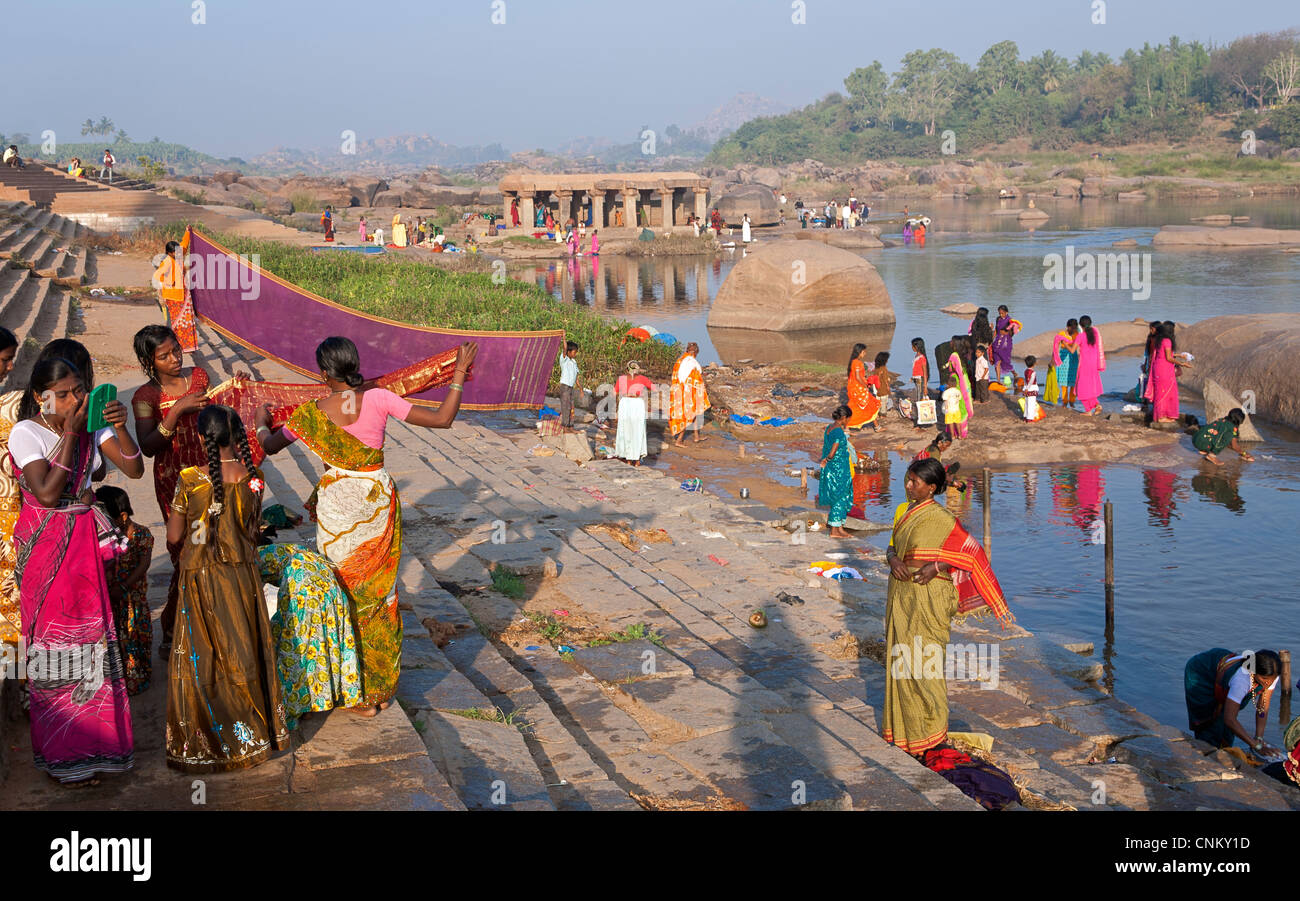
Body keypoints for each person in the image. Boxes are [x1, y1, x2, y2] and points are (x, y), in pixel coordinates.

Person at [256, 337, 479, 715]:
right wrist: (457, 373)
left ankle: (348, 687)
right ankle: (376, 691)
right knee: (378, 594)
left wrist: (262, 422)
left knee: (340, 591)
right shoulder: (379, 398)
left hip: (338, 511)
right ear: (354, 364)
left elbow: (270, 446)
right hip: (375, 507)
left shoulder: (313, 413)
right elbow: (443, 419)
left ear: (324, 374)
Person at [10, 353, 145, 784]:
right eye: (63, 394)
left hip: (82, 551)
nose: (73, 400)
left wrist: (120, 426)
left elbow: (134, 468)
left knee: (90, 647)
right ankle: (64, 756)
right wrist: (69, 433)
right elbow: (48, 494)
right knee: (55, 650)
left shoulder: (93, 428)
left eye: (78, 392)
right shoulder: (25, 433)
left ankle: (97, 752)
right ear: (41, 396)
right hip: (46, 549)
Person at [165, 405, 287, 771]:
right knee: (243, 648)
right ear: (237, 438)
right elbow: (251, 530)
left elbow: (174, 536)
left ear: (204, 440)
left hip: (201, 575)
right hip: (242, 576)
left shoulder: (190, 479)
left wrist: (200, 531)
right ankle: (253, 736)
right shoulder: (255, 479)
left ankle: (212, 740)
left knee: (204, 655)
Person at [132, 325, 249, 656]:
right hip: (174, 481)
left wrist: (233, 391)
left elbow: (217, 415)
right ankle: (174, 628)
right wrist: (178, 409)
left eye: (176, 350)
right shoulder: (145, 397)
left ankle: (212, 624)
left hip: (211, 471)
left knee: (215, 546)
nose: (174, 359)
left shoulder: (198, 376)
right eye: (164, 356)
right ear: (149, 361)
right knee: (187, 553)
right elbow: (149, 445)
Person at [883, 458, 1011, 756]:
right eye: (908, 479)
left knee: (925, 663)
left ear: (931, 488)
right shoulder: (904, 511)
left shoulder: (942, 518)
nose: (908, 485)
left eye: (915, 481)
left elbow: (972, 552)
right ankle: (905, 734)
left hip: (929, 599)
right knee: (901, 661)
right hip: (901, 595)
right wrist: (893, 560)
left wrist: (936, 565)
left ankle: (931, 732)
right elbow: (891, 545)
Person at [258, 542, 362, 730]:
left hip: (304, 591)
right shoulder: (292, 549)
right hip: (331, 590)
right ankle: (321, 699)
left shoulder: (256, 557)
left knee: (294, 651)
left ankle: (299, 706)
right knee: (322, 645)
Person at [95, 486, 154, 696]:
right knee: (116, 642)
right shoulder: (105, 539)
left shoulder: (141, 534)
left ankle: (136, 679)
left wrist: (123, 586)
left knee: (134, 640)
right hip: (112, 600)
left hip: (132, 601)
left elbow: (144, 565)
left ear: (122, 516)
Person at [1184, 648, 1282, 754]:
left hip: (1222, 670)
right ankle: (1206, 753)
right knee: (1210, 723)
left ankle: (1223, 750)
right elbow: (1229, 719)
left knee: (1227, 728)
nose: (1268, 683)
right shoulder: (1241, 680)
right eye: (1264, 679)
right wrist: (1256, 746)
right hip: (1202, 672)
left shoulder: (1271, 674)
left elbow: (1262, 708)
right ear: (1253, 671)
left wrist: (1259, 738)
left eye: (1272, 679)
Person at [0, 327, 22, 646]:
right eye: (5, 360)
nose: (9, 367)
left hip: (11, 514)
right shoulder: (9, 408)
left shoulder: (9, 406)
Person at [153, 240, 196, 354]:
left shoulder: (179, 258)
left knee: (186, 321)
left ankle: (187, 346)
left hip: (184, 295)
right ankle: (179, 345)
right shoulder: (167, 262)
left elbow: (185, 245)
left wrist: (188, 231)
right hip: (174, 297)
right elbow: (158, 276)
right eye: (175, 252)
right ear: (169, 252)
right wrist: (169, 282)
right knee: (177, 322)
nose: (178, 253)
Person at [819, 406, 855, 539]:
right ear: (844, 418)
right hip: (838, 469)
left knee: (840, 495)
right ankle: (834, 531)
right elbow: (833, 451)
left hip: (833, 469)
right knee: (840, 497)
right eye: (849, 419)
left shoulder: (829, 428)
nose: (849, 421)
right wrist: (827, 459)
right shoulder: (839, 432)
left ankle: (840, 527)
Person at [613, 361, 653, 466]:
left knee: (627, 431)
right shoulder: (642, 378)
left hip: (626, 403)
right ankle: (636, 460)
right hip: (635, 403)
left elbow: (614, 393)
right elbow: (654, 388)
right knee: (637, 431)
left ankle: (630, 459)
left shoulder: (622, 379)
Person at [1146, 320, 1187, 423]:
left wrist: (1179, 355)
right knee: (1165, 392)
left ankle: (1163, 415)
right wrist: (1181, 363)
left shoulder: (1160, 339)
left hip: (1159, 367)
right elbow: (1168, 358)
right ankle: (1161, 417)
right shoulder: (1167, 341)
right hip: (1164, 368)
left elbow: (1163, 354)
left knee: (1161, 391)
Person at [670, 342, 710, 447]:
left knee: (694, 412)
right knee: (688, 415)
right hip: (687, 392)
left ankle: (696, 436)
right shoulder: (692, 362)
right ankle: (679, 440)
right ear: (695, 352)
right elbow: (697, 377)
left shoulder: (679, 361)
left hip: (677, 391)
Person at [845, 343, 881, 430]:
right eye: (864, 352)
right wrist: (865, 385)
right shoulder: (857, 363)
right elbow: (857, 377)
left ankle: (877, 427)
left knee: (869, 405)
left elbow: (857, 376)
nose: (865, 354)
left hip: (855, 388)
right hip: (858, 389)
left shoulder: (853, 362)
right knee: (858, 408)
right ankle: (846, 428)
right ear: (859, 352)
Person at [1075, 315, 1106, 415]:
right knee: (1090, 386)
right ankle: (1096, 405)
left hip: (1085, 363)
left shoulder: (1081, 336)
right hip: (1093, 362)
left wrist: (1064, 342)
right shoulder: (1094, 334)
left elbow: (1072, 350)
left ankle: (1088, 410)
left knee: (1082, 387)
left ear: (1080, 325)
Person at [1051, 319, 1080, 408]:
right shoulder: (1061, 335)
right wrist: (1053, 360)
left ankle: (1072, 400)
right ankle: (1064, 401)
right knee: (1064, 381)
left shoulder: (1077, 335)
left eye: (1075, 328)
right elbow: (1055, 348)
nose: (1074, 330)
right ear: (1068, 327)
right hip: (1063, 358)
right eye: (1072, 328)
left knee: (1073, 380)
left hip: (1073, 358)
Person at [558, 340, 580, 429]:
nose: (575, 354)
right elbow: (564, 348)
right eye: (574, 352)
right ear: (569, 352)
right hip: (565, 386)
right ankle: (565, 425)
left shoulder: (574, 362)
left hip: (571, 387)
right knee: (565, 406)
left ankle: (570, 425)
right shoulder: (564, 360)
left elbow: (576, 377)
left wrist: (581, 388)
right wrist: (563, 338)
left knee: (571, 406)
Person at [991, 305, 1017, 380]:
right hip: (997, 343)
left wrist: (1006, 333)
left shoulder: (1010, 321)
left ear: (1006, 312)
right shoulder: (998, 319)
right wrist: (992, 339)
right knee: (997, 361)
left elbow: (1012, 333)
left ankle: (1014, 373)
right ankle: (998, 380)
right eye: (999, 313)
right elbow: (996, 330)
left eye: (1002, 313)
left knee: (1005, 360)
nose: (1001, 315)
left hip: (1005, 343)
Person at [942, 375, 967, 440]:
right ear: (956, 384)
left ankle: (952, 436)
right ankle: (960, 435)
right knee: (958, 423)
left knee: (951, 423)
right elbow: (959, 398)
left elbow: (945, 400)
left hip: (949, 410)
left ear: (948, 384)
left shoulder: (946, 392)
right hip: (957, 410)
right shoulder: (958, 391)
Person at [1020, 355, 1040, 422]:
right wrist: (1027, 388)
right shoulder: (1033, 372)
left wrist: (1025, 388)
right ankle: (1030, 418)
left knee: (1027, 404)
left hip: (1026, 389)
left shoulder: (1026, 371)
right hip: (1031, 389)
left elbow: (1026, 380)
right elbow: (1031, 381)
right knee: (1031, 404)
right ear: (1034, 363)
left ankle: (1025, 416)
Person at [910, 338, 929, 405]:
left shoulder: (922, 357)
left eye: (913, 346)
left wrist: (925, 386)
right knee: (918, 393)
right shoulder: (917, 356)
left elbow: (925, 372)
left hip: (920, 379)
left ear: (917, 347)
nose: (912, 348)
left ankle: (919, 410)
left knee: (919, 395)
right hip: (917, 378)